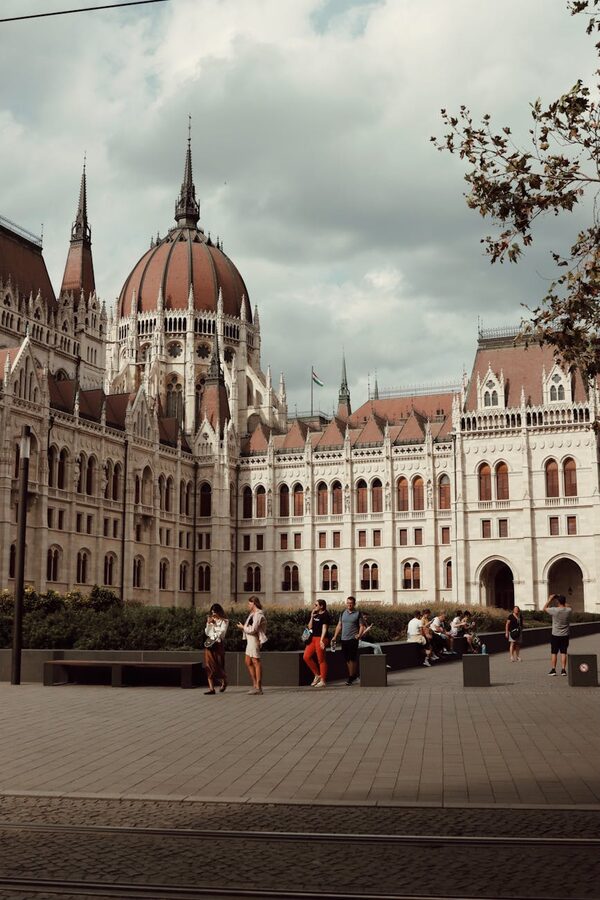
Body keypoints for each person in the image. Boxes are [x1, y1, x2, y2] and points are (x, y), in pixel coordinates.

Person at [331, 595, 366, 685]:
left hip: (353, 639)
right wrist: (335, 636)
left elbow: (362, 626)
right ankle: (353, 675)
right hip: (344, 639)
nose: (349, 605)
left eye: (351, 603)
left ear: (354, 604)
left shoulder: (358, 613)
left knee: (352, 658)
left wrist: (359, 635)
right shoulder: (343, 613)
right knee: (347, 659)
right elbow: (339, 625)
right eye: (348, 603)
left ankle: (350, 677)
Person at [236, 596, 267, 694]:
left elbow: (253, 629)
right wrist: (244, 628)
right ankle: (255, 685)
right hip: (250, 640)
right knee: (248, 661)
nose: (248, 605)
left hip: (254, 640)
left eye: (249, 603)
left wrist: (242, 627)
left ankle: (258, 687)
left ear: (253, 603)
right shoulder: (252, 614)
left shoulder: (258, 614)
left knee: (255, 661)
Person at [303, 599, 331, 687]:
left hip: (321, 638)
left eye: (316, 605)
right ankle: (317, 675)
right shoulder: (316, 614)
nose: (314, 607)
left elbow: (324, 628)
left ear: (321, 606)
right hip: (313, 638)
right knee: (306, 656)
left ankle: (323, 680)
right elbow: (310, 627)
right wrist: (311, 616)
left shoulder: (325, 615)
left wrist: (322, 640)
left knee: (321, 659)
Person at [544, 593, 572, 676]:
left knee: (554, 652)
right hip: (565, 635)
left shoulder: (554, 610)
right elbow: (568, 605)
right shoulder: (568, 610)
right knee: (563, 652)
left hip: (555, 634)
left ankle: (553, 670)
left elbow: (544, 608)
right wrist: (561, 598)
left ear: (558, 602)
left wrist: (550, 599)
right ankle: (563, 670)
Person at [203, 603, 229, 694]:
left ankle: (224, 681)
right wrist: (209, 624)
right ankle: (211, 688)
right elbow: (207, 633)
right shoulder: (211, 619)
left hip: (218, 645)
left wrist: (215, 625)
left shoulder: (224, 621)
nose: (213, 614)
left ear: (219, 612)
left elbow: (222, 634)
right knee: (209, 665)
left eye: (215, 612)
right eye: (212, 612)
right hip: (210, 644)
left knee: (219, 665)